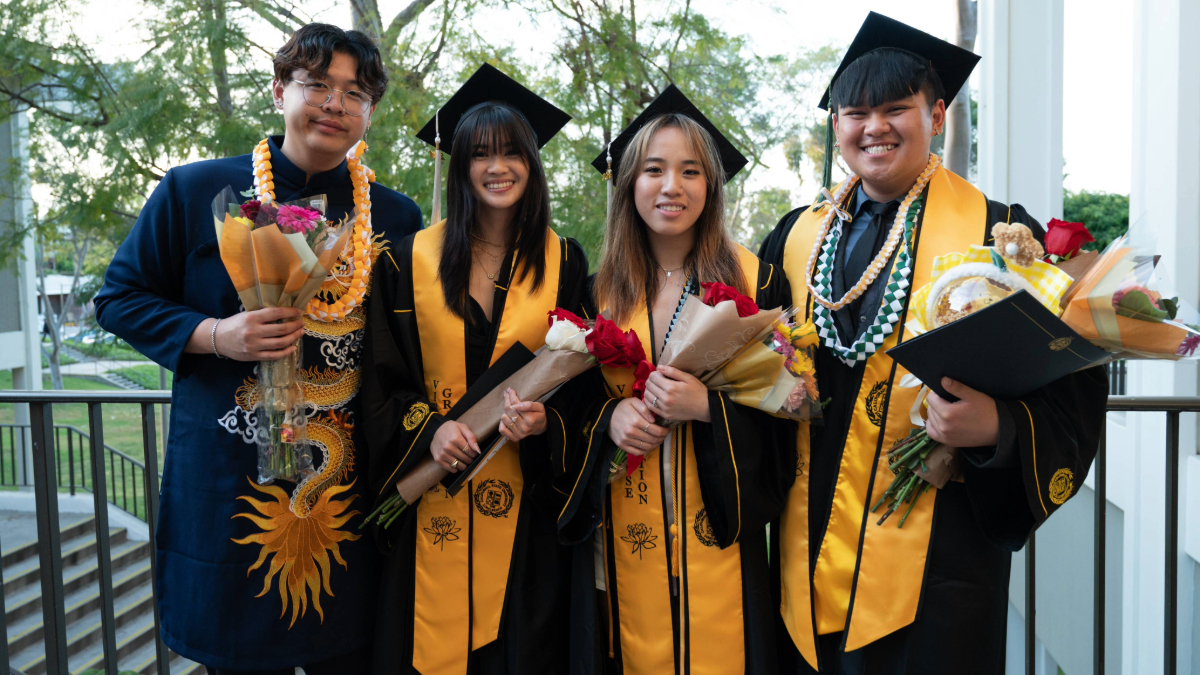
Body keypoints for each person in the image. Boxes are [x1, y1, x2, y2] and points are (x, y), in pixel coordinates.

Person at [757, 13, 1109, 674]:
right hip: (807, 543)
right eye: (855, 111)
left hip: (937, 562)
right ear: (837, 126)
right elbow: (754, 362)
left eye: (897, 109)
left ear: (938, 113)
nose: (874, 127)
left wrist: (1000, 427)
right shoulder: (795, 236)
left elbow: (1072, 378)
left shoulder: (1000, 236)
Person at [93, 23, 423, 674]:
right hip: (230, 488)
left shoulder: (395, 215)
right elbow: (118, 297)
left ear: (370, 113)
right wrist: (218, 335)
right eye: (318, 84)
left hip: (349, 500)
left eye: (355, 92)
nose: (335, 103)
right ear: (279, 90)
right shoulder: (194, 192)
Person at [547, 85, 795, 675]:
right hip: (623, 555)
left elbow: (792, 416)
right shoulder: (594, 292)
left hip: (722, 548)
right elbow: (565, 413)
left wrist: (709, 408)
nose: (671, 187)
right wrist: (611, 420)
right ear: (628, 183)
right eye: (653, 169)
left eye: (690, 171)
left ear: (711, 185)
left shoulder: (759, 284)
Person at [358, 63, 588, 675]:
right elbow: (380, 375)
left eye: (513, 152)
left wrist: (545, 422)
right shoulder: (408, 259)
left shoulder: (564, 260)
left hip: (526, 517)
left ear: (532, 165)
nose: (497, 166)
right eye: (480, 153)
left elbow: (584, 385)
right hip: (430, 489)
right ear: (459, 166)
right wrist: (427, 428)